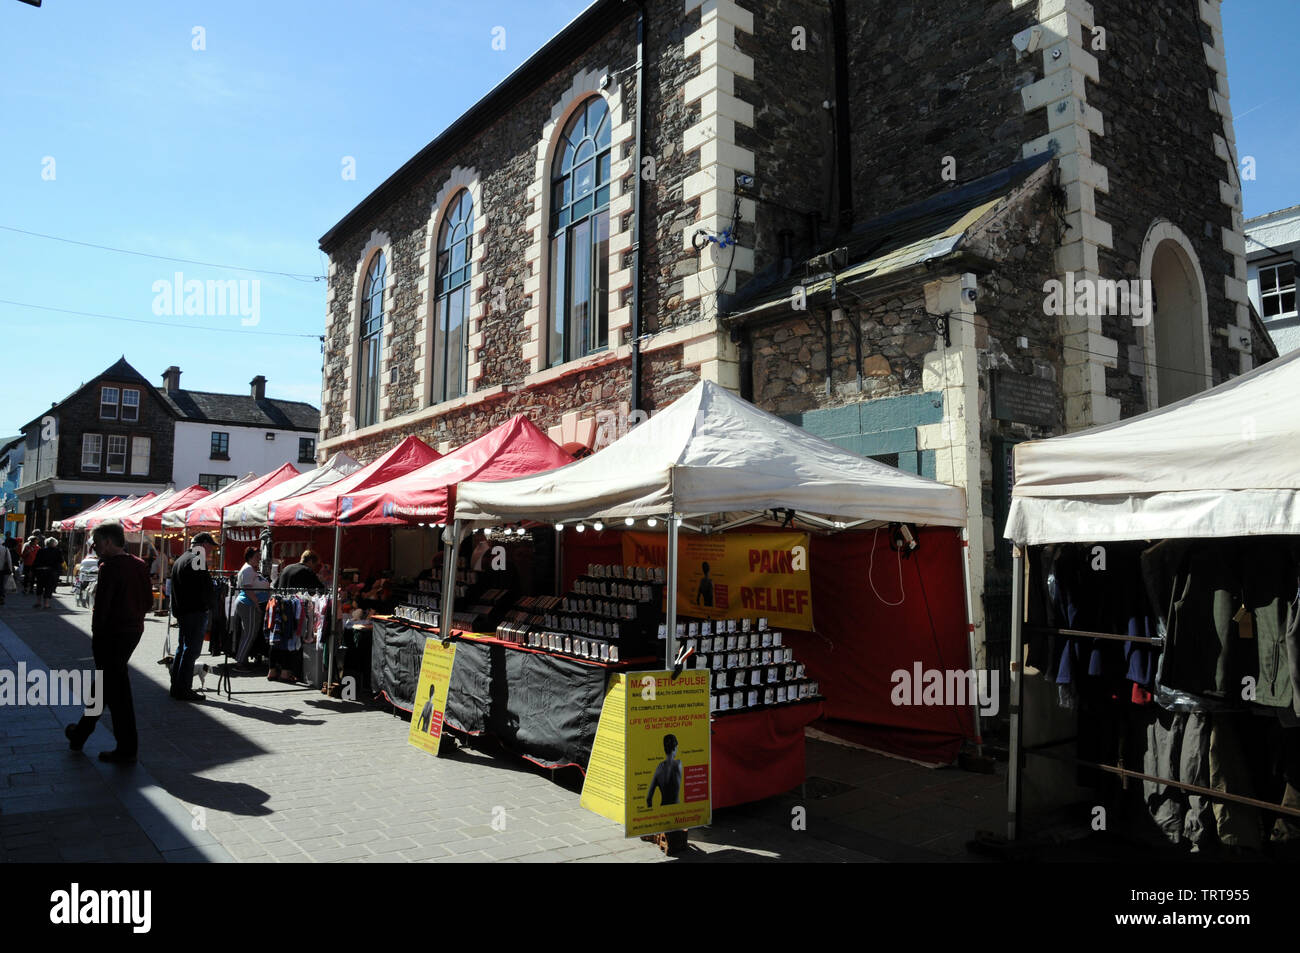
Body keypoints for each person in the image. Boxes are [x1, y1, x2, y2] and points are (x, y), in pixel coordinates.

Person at [65, 521, 151, 764]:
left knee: (117, 693)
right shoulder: (140, 565)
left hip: (111, 635)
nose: (94, 547)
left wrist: (97, 637)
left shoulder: (110, 568)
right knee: (105, 687)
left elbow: (101, 610)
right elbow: (147, 603)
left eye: (96, 542)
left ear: (108, 542)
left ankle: (126, 748)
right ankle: (80, 734)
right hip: (132, 632)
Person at [169, 532, 216, 701]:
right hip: (194, 611)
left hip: (184, 610)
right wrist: (210, 603)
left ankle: (177, 686)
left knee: (183, 648)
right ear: (203, 544)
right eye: (210, 546)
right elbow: (200, 587)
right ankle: (183, 688)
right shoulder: (196, 558)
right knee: (190, 650)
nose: (211, 551)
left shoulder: (183, 558)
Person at [234, 547, 271, 674]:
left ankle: (241, 660)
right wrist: (256, 604)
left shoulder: (250, 569)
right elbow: (247, 589)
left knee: (249, 633)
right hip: (248, 604)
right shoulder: (248, 569)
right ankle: (240, 662)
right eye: (256, 557)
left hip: (249, 604)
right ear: (250, 557)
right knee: (249, 634)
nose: (259, 559)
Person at [645, 733, 683, 807]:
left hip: (663, 809)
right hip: (677, 808)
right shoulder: (679, 764)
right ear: (675, 747)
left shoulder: (659, 769)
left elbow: (648, 799)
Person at [32, 536, 65, 609]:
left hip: (41, 571)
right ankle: (46, 604)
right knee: (49, 587)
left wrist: (34, 570)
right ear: (55, 544)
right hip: (52, 572)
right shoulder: (58, 551)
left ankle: (38, 602)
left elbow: (36, 561)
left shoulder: (41, 550)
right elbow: (61, 561)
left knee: (39, 586)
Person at [0, 537, 12, 606]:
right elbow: (9, 559)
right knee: (1, 583)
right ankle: (1, 596)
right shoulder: (4, 547)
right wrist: (10, 569)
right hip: (1, 569)